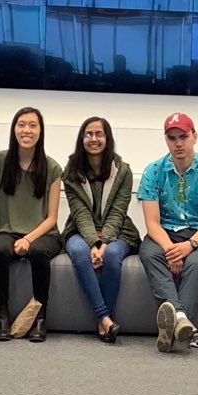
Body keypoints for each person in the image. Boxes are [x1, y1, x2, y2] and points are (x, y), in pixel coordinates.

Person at [138, 112, 198, 352]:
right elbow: (152, 223)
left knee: (197, 264)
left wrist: (188, 247)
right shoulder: (152, 171)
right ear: (166, 140)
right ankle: (181, 320)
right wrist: (170, 249)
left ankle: (173, 322)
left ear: (195, 137)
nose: (178, 143)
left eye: (183, 137)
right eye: (172, 138)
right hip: (163, 235)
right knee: (148, 253)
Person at [0, 107, 64, 343]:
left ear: (41, 131)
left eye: (33, 125)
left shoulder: (52, 167)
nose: (26, 130)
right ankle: (2, 316)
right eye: (21, 124)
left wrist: (28, 239)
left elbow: (52, 218)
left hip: (43, 233)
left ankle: (40, 317)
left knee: (39, 253)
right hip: (7, 230)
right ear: (13, 129)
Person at [62, 115, 138, 344]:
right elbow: (80, 212)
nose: (94, 139)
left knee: (113, 254)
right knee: (78, 252)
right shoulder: (70, 170)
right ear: (81, 138)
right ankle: (105, 318)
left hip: (118, 231)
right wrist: (93, 243)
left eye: (99, 134)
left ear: (107, 138)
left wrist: (104, 242)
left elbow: (118, 211)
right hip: (79, 230)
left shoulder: (123, 171)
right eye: (88, 134)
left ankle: (104, 320)